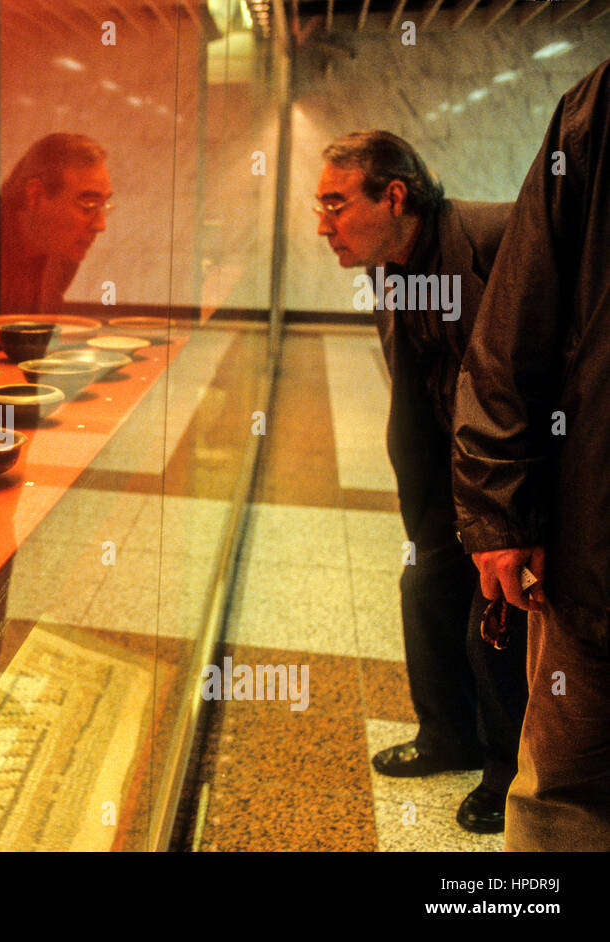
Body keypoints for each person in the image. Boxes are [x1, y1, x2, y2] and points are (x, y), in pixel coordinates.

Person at [315, 130, 527, 833]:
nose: (324, 225)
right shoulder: (387, 264)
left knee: (492, 618)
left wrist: (512, 506)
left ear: (394, 196)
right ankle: (447, 736)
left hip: (510, 468)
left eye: (335, 205)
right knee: (424, 584)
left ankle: (507, 773)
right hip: (443, 462)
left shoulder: (498, 236)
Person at [452, 59, 610, 851]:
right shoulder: (602, 105)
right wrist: (498, 511)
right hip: (596, 548)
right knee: (564, 790)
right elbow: (516, 327)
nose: (322, 224)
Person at [0, 134, 111, 314]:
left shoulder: (62, 253)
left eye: (103, 205)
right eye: (89, 204)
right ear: (35, 195)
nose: (100, 225)